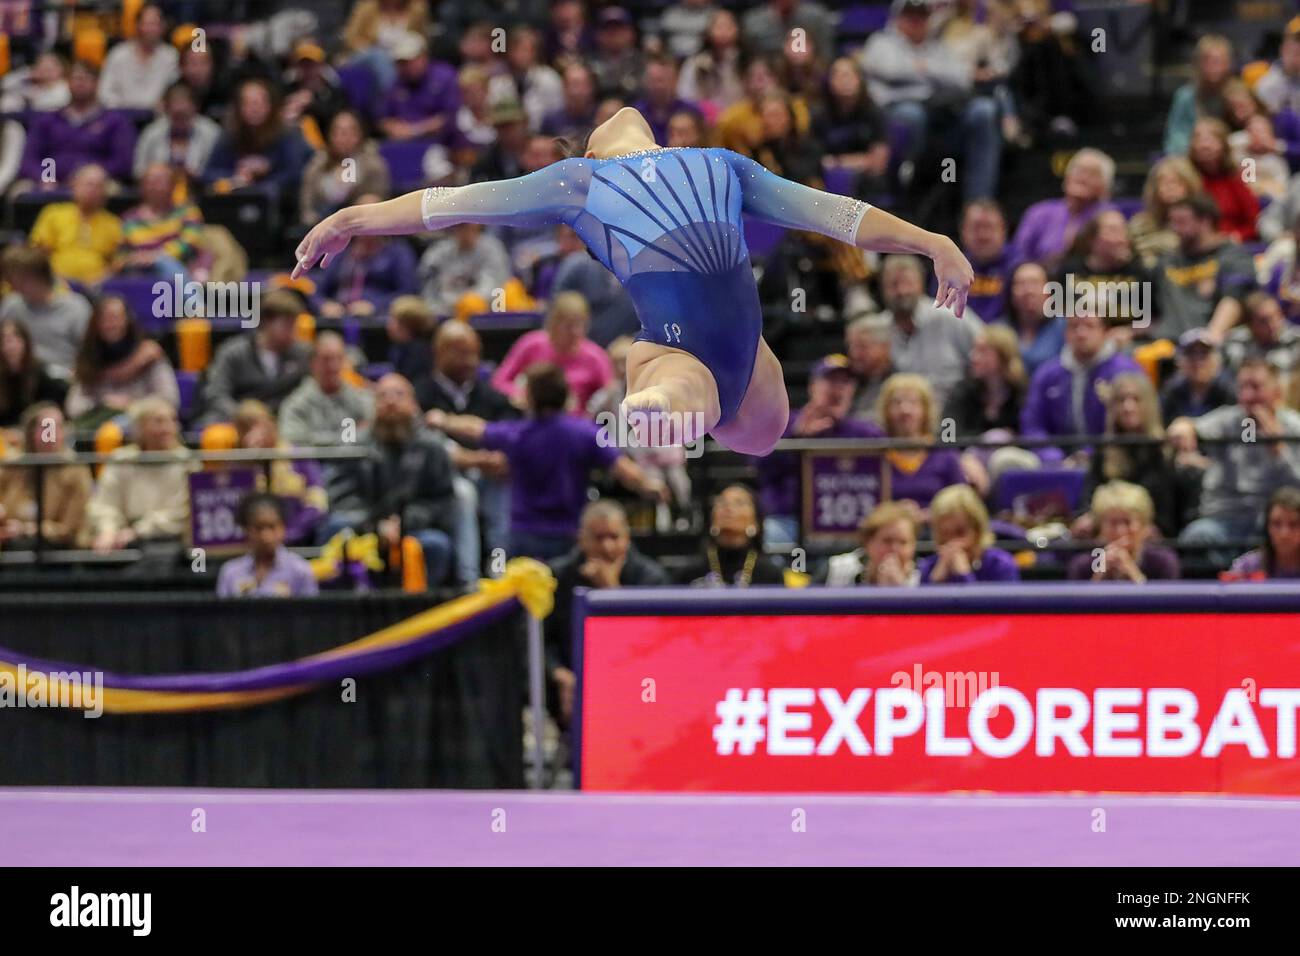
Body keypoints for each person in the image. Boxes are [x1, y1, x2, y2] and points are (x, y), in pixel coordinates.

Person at [292, 105, 973, 457]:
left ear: (593, 151)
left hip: (686, 352)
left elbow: (448, 202)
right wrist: (933, 241)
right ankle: (660, 407)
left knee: (695, 396)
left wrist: (354, 216)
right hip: (736, 354)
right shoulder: (720, 164)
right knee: (745, 423)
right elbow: (842, 219)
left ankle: (658, 407)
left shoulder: (577, 181)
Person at [429, 362, 666, 561]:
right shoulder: (585, 433)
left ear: (530, 397)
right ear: (565, 394)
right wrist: (649, 485)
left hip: (524, 536)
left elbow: (476, 429)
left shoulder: (518, 434)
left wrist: (443, 420)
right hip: (570, 536)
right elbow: (623, 469)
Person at [862, 0, 1001, 202]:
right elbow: (890, 69)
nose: (916, 21)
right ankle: (906, 185)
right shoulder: (881, 42)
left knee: (984, 110)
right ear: (897, 18)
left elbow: (962, 79)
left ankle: (979, 202)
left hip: (940, 115)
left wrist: (924, 67)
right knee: (912, 114)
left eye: (922, 16)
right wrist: (933, 74)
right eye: (910, 15)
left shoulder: (937, 46)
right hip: (898, 114)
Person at [327, 373, 460, 585]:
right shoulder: (355, 446)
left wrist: (405, 522)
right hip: (364, 528)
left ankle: (424, 610)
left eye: (399, 395)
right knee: (336, 527)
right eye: (383, 395)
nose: (391, 401)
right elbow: (340, 497)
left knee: (437, 544)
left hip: (413, 530)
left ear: (414, 404)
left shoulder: (432, 448)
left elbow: (442, 501)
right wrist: (375, 525)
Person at [545, 500, 669, 724]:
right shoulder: (557, 577)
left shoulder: (652, 577)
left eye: (614, 537)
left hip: (637, 683)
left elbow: (654, 644)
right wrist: (558, 672)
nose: (607, 547)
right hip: (572, 683)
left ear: (627, 538)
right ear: (581, 539)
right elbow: (540, 639)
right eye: (598, 538)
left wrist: (612, 591)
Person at [1171, 358, 1300, 564]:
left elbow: (1296, 488)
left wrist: (1278, 450)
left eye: (1256, 387)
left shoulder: (1294, 427)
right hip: (1224, 518)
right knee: (1196, 536)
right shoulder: (1228, 420)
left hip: (1272, 520)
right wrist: (1183, 426)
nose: (1248, 396)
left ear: (1276, 392)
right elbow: (1190, 425)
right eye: (1243, 388)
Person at [757, 354, 883, 548]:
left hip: (851, 525)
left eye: (845, 382)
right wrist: (796, 437)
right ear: (812, 386)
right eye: (830, 381)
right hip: (789, 520)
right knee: (771, 537)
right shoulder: (785, 422)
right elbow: (760, 468)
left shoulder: (867, 433)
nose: (838, 389)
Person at [1075, 372, 1196, 541]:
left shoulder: (1165, 451)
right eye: (1121, 400)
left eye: (1135, 399)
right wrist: (1088, 518)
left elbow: (1174, 512)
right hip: (1108, 537)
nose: (1128, 407)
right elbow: (1088, 497)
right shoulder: (1104, 451)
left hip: (1154, 541)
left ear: (1149, 405)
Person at [1020, 311, 1143, 465]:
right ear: (1065, 333)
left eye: (1089, 326)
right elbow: (1033, 423)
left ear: (1105, 332)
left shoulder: (1125, 371)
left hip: (1109, 455)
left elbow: (1133, 423)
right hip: (1052, 460)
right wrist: (1051, 456)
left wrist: (1090, 454)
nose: (1081, 333)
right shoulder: (1047, 373)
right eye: (1074, 326)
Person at [87, 397, 193, 553]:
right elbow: (105, 504)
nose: (168, 428)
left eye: (172, 421)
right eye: (159, 422)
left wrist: (137, 531)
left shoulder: (187, 463)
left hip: (166, 540)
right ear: (140, 427)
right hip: (122, 535)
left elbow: (180, 514)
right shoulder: (121, 459)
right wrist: (108, 531)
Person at [877, 254, 982, 408]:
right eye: (893, 284)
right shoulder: (879, 329)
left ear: (921, 284)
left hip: (953, 410)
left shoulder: (951, 316)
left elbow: (989, 351)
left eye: (908, 283)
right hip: (901, 416)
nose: (901, 291)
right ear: (883, 288)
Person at [198, 290, 312, 425]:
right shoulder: (234, 352)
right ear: (266, 322)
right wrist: (241, 415)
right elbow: (215, 393)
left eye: (294, 325)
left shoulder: (303, 354)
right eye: (288, 325)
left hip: (285, 421)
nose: (293, 332)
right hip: (241, 423)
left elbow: (313, 391)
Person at [65, 294, 178, 429]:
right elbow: (74, 407)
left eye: (116, 318)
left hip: (143, 430)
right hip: (98, 429)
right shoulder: (88, 358)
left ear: (127, 321)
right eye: (105, 319)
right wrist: (104, 404)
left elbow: (170, 399)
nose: (111, 324)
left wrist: (133, 406)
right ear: (95, 324)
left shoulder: (149, 354)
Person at [1153, 195, 1256, 343]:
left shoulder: (1233, 256)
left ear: (1205, 222)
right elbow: (1148, 302)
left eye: (1181, 222)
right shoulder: (1167, 261)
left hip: (1208, 342)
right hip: (1168, 343)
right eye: (1172, 223)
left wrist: (1212, 336)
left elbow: (1234, 299)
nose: (1175, 229)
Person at [0, 402, 91, 549]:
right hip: (9, 538)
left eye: (57, 428)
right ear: (30, 432)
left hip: (57, 547)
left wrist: (28, 529)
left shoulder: (75, 470)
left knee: (24, 546)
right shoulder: (13, 464)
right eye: (45, 428)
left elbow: (69, 529)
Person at [877, 372, 969, 517]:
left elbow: (962, 502)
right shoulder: (876, 454)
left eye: (913, 403)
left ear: (926, 410)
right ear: (886, 410)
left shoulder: (945, 453)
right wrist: (895, 513)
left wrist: (931, 515)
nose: (905, 410)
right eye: (897, 402)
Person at [1009, 147, 1115, 270]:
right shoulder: (1039, 212)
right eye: (1078, 171)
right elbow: (1018, 257)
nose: (1083, 177)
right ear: (1066, 178)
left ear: (1104, 187)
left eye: (1092, 173)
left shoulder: (1109, 217)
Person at [0, 246, 92, 379]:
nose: (9, 283)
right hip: (20, 379)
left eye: (14, 277)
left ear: (34, 277)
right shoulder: (12, 305)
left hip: (61, 378)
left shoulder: (75, 307)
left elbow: (91, 354)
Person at [1067, 480, 1181, 582]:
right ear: (1101, 527)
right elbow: (1078, 604)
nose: (1120, 531)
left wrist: (1134, 575)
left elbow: (1166, 604)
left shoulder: (1164, 563)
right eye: (1113, 523)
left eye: (1127, 522)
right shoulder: (1082, 565)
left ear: (1144, 525)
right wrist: (1100, 575)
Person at [28, 164, 122, 286]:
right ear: (74, 185)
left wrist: (101, 279)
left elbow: (117, 263)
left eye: (99, 186)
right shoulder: (53, 214)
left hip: (98, 286)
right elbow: (38, 253)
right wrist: (52, 277)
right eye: (89, 184)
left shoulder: (113, 223)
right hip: (54, 283)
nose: (92, 190)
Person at [277, 331, 375, 447]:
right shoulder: (295, 405)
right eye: (326, 359)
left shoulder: (363, 399)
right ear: (313, 363)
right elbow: (294, 440)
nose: (333, 366)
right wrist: (349, 438)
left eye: (339, 358)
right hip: (314, 464)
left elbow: (373, 434)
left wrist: (314, 437)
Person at [677, 484, 785, 586]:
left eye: (739, 503)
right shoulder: (690, 573)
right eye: (722, 502)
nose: (728, 508)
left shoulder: (770, 575)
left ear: (755, 523)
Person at [216, 492, 319, 597]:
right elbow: (223, 612)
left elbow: (311, 612)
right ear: (246, 529)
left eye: (272, 527)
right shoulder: (230, 573)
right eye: (258, 528)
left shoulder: (300, 570)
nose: (265, 536)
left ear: (283, 528)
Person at [299, 110, 392, 226]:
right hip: (322, 222)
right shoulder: (318, 163)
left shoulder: (373, 164)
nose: (345, 138)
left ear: (360, 135)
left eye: (350, 132)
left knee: (369, 201)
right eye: (339, 132)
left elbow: (381, 198)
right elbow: (307, 202)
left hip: (361, 225)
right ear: (330, 135)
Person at [119, 163, 205, 281]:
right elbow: (121, 251)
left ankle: (195, 300)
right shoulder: (129, 219)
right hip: (140, 271)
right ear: (142, 186)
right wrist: (132, 258)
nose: (154, 185)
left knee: (166, 264)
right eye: (150, 180)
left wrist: (157, 256)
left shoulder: (188, 213)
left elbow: (189, 243)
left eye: (160, 180)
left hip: (180, 267)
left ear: (172, 185)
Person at [918, 484, 1020, 584]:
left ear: (978, 530)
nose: (953, 542)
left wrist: (964, 575)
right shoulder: (929, 568)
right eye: (944, 534)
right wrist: (934, 583)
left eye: (960, 532)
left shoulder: (1001, 565)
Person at [133, 81, 222, 183]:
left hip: (202, 191)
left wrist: (199, 175)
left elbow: (220, 172)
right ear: (167, 110)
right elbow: (138, 172)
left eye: (184, 115)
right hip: (159, 192)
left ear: (195, 108)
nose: (180, 120)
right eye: (176, 116)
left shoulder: (212, 133)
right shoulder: (152, 133)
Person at [1187, 118, 1259, 242]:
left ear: (1224, 145)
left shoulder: (1235, 181)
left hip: (1230, 244)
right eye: (1199, 139)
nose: (1205, 146)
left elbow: (1253, 221)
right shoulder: (1185, 179)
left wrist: (1236, 236)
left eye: (1211, 139)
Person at [1162, 34, 1233, 157]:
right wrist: (1198, 150)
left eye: (1217, 61)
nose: (1212, 67)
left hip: (1230, 157)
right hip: (1193, 156)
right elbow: (1175, 138)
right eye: (1207, 61)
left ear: (1228, 63)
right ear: (1198, 63)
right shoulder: (1185, 96)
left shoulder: (1237, 94)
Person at [98, 4, 178, 110]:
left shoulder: (171, 56)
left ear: (163, 27)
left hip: (158, 116)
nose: (150, 29)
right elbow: (105, 92)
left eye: (155, 24)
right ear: (137, 25)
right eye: (147, 24)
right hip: (121, 115)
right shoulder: (118, 54)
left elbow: (175, 92)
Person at [1128, 156, 1203, 268]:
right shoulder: (1140, 223)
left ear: (1189, 186)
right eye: (1162, 182)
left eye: (1176, 182)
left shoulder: (1202, 221)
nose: (1169, 187)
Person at [823, 500, 919, 586]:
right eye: (887, 541)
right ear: (868, 542)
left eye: (903, 542)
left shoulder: (922, 578)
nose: (894, 549)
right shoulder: (838, 569)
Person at [0, 319, 68, 436]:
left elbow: (52, 411)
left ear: (26, 342)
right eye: (4, 341)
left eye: (14, 339)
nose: (10, 346)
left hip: (36, 435)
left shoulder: (43, 375)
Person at [1160, 328, 1236, 424]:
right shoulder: (1172, 391)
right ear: (1179, 361)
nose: (1197, 362)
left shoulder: (1229, 390)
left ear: (1217, 360)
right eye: (1190, 354)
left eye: (1204, 353)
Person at [1226, 485, 1300, 580]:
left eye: (1293, 524)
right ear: (1267, 526)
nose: (1284, 534)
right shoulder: (1246, 567)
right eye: (1276, 524)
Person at [960, 200, 1014, 323]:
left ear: (1004, 230)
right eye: (976, 227)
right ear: (963, 231)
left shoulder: (1019, 267)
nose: (983, 235)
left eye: (989, 227)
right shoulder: (950, 266)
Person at [844, 313, 893, 424]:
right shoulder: (846, 381)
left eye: (862, 346)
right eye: (850, 346)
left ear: (885, 347)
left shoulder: (901, 384)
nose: (854, 354)